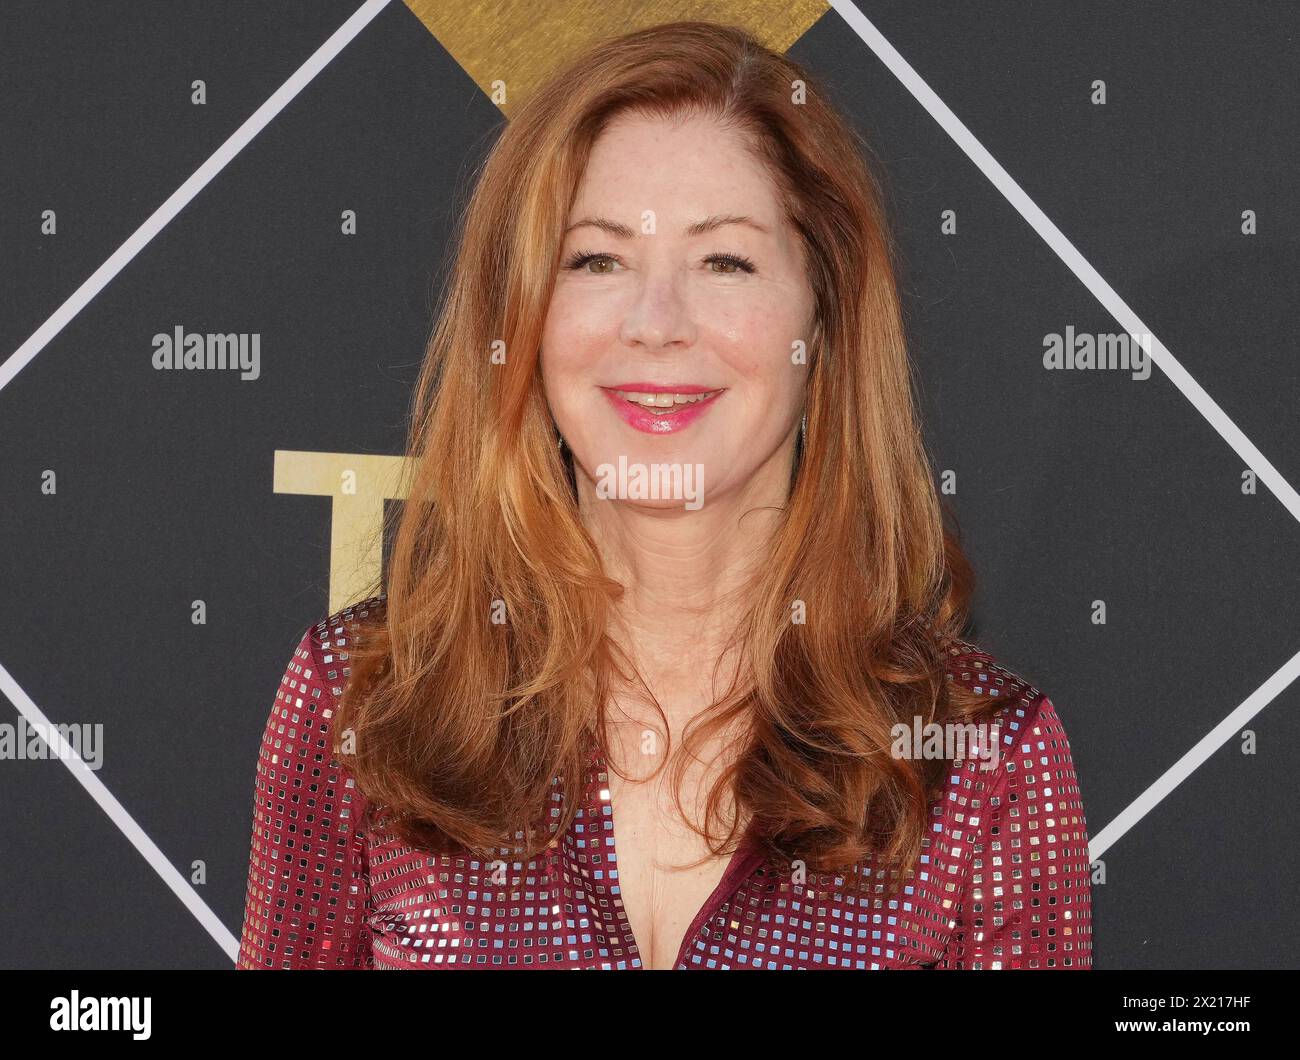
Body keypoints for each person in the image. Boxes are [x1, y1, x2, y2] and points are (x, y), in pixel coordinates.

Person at [236, 19, 1092, 970]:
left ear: (827, 316)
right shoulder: (364, 701)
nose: (655, 324)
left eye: (724, 260)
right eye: (596, 259)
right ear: (521, 313)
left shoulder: (981, 758)